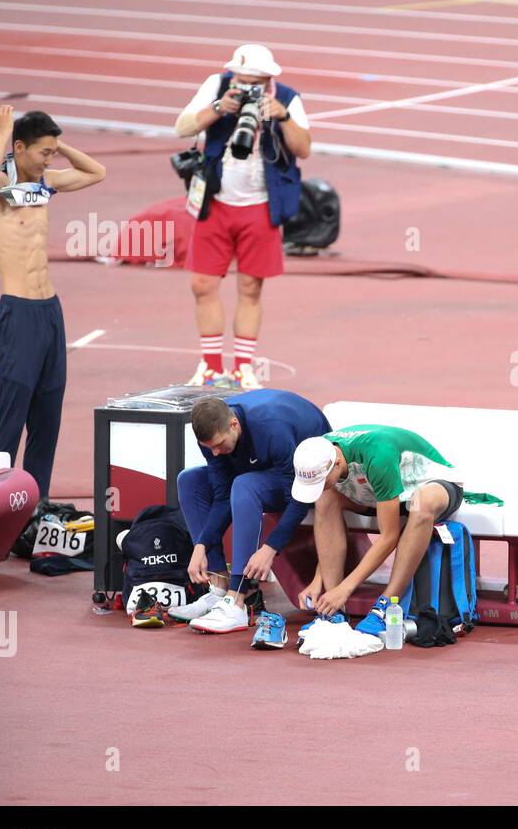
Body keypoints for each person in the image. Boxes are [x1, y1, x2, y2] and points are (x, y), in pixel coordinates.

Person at [0, 106, 105, 499]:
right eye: (43, 152)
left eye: (53, 153)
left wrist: (57, 142)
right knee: (11, 419)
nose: (50, 159)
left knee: (47, 418)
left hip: (50, 311)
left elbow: (95, 172)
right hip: (19, 314)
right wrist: (3, 133)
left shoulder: (46, 182)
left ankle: (36, 504)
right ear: (19, 147)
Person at [174, 44, 312, 389]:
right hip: (216, 200)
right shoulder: (216, 86)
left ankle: (243, 367)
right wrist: (220, 107)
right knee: (202, 283)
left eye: (255, 81)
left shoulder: (288, 98)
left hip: (262, 204)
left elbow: (304, 149)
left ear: (269, 79)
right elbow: (182, 127)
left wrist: (281, 116)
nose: (247, 85)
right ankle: (210, 366)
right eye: (241, 78)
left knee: (250, 286)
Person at [291, 425, 487, 635]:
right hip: (376, 493)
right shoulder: (319, 450)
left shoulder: (377, 455)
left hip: (430, 485)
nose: (318, 486)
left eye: (321, 481)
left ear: (337, 463)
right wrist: (318, 580)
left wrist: (346, 588)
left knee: (422, 503)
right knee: (325, 498)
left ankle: (385, 606)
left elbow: (389, 537)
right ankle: (332, 611)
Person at [170, 391, 330, 642]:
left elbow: (299, 499)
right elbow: (221, 496)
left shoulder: (272, 430)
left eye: (219, 445)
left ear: (234, 424)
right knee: (189, 481)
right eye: (208, 447)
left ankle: (237, 602)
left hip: (308, 474)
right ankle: (220, 589)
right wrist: (202, 544)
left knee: (245, 485)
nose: (215, 454)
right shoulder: (213, 438)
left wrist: (270, 548)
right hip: (264, 467)